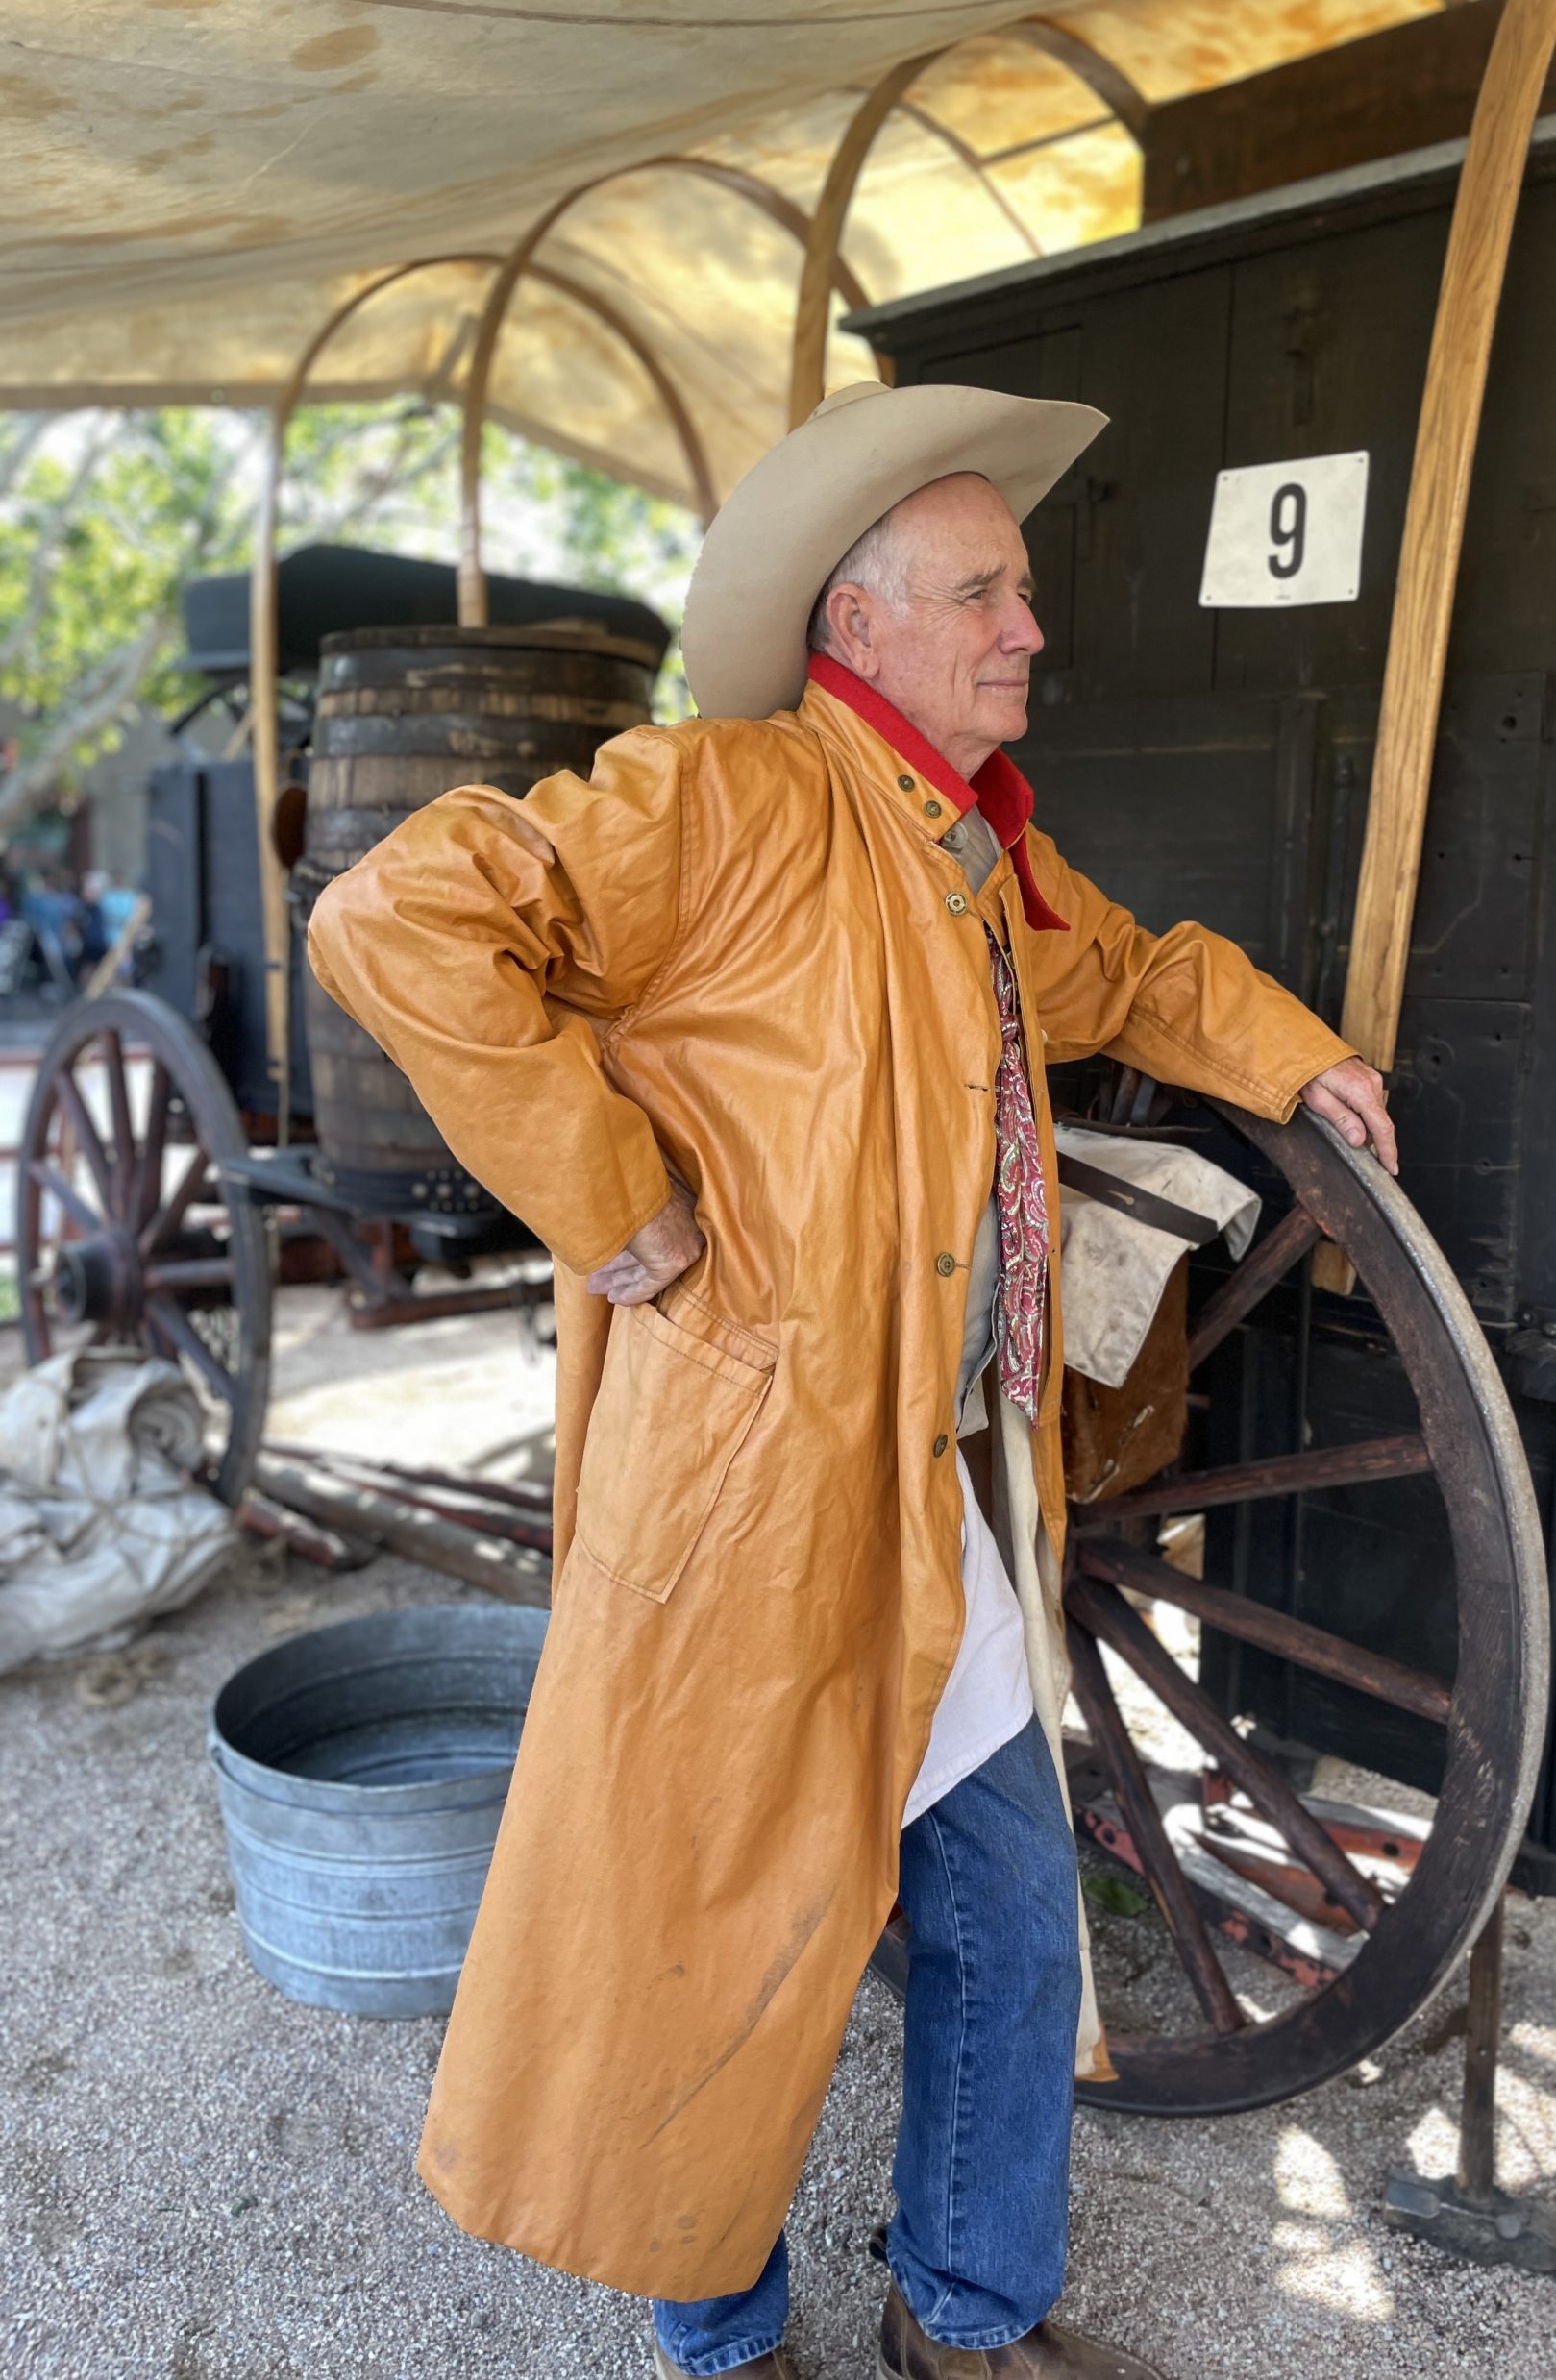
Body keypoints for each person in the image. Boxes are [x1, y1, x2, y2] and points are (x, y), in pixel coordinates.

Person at [306, 381, 1395, 2380]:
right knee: (708, 1915)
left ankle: (961, 2308)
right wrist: (608, 1195)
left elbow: (1135, 974)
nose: (1030, 629)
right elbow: (400, 915)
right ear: (861, 624)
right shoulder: (724, 800)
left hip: (915, 1496)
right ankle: (719, 2338)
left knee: (1003, 1893)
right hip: (745, 1492)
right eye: (988, 591)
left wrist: (1296, 1053)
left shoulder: (969, 861)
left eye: (1025, 590)